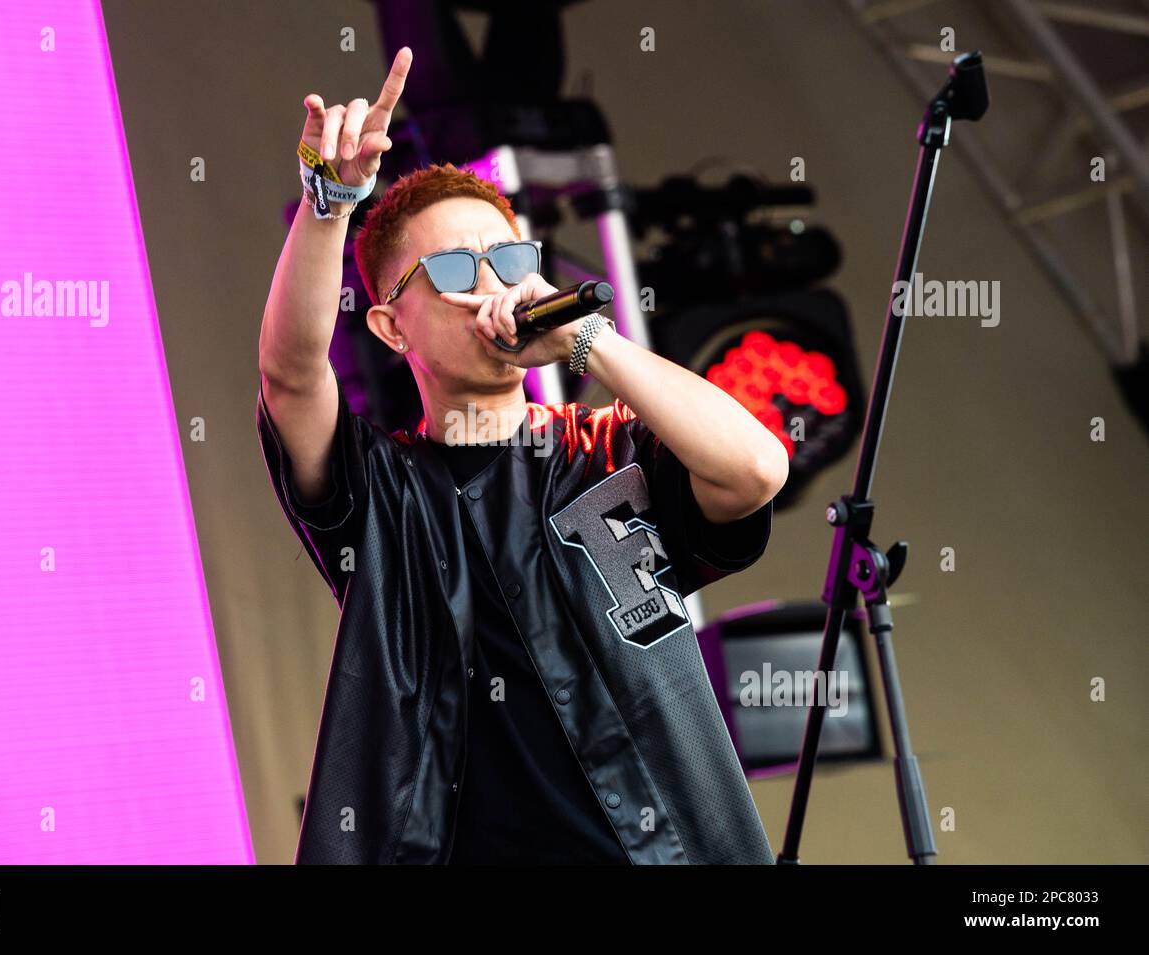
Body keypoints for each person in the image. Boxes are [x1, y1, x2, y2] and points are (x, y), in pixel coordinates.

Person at [256, 46, 790, 865]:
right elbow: (291, 376)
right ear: (392, 326)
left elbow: (756, 469)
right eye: (453, 269)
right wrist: (329, 204)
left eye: (508, 260)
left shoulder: (613, 452)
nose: (491, 286)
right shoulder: (383, 491)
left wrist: (588, 338)